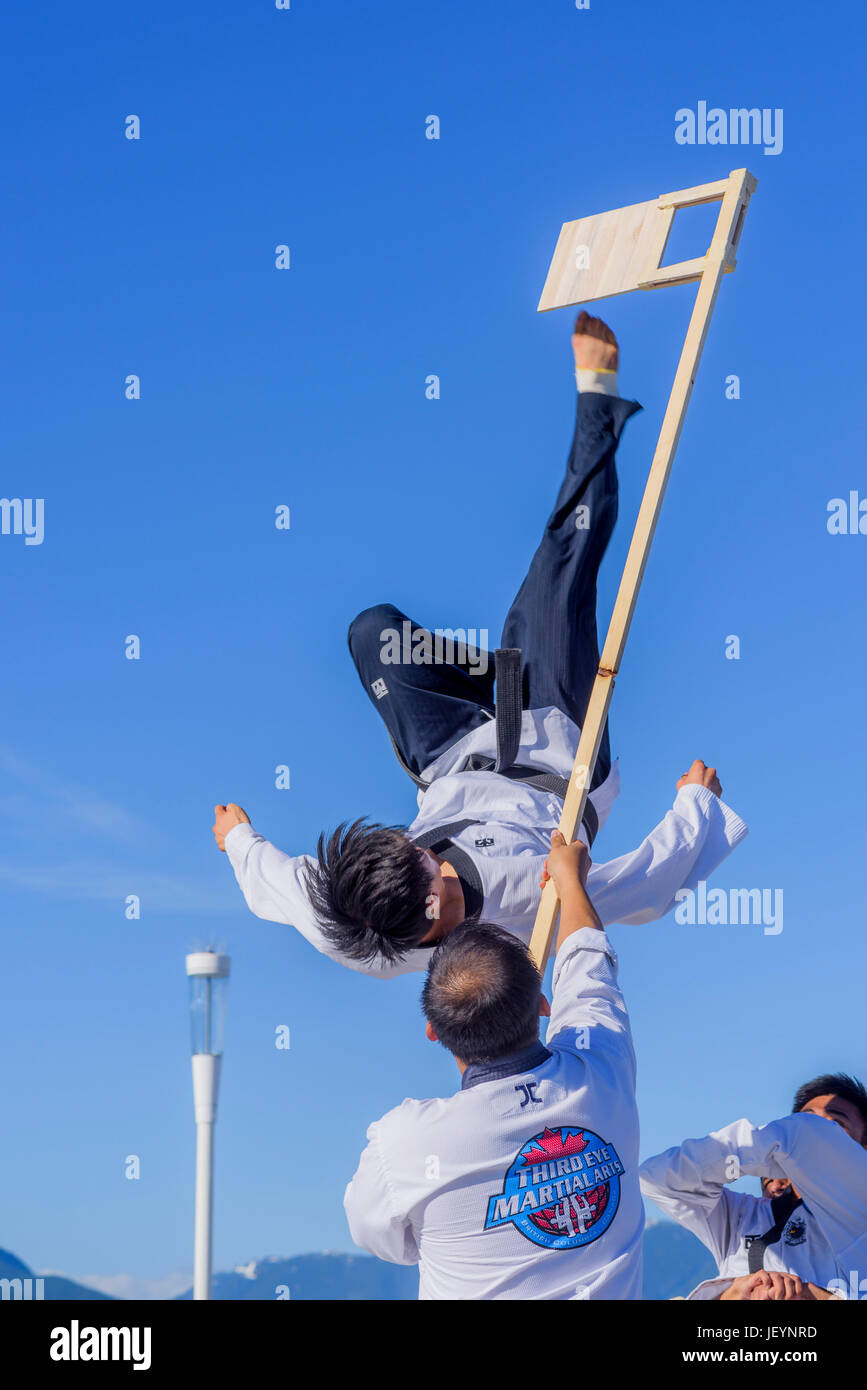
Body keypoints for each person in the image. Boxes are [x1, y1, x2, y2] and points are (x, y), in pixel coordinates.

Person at [214, 315, 747, 978]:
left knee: (371, 632)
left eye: (407, 847)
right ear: (431, 909)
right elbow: (649, 886)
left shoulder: (344, 918)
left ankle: (498, 674)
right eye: (426, 867)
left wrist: (238, 839)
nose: (426, 852)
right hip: (558, 741)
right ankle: (598, 407)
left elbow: (282, 887)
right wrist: (696, 803)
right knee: (562, 564)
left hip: (452, 752)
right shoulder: (525, 898)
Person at [344, 832, 643, 1299]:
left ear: (434, 1033)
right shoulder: (603, 1068)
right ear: (543, 1005)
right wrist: (569, 880)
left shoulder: (403, 1144)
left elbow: (380, 1237)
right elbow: (587, 964)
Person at [639, 1073, 867, 1300]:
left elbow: (805, 1136)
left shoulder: (860, 1214)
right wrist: (731, 1294)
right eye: (806, 1118)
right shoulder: (744, 1216)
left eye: (835, 1126)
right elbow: (656, 1179)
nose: (819, 1133)